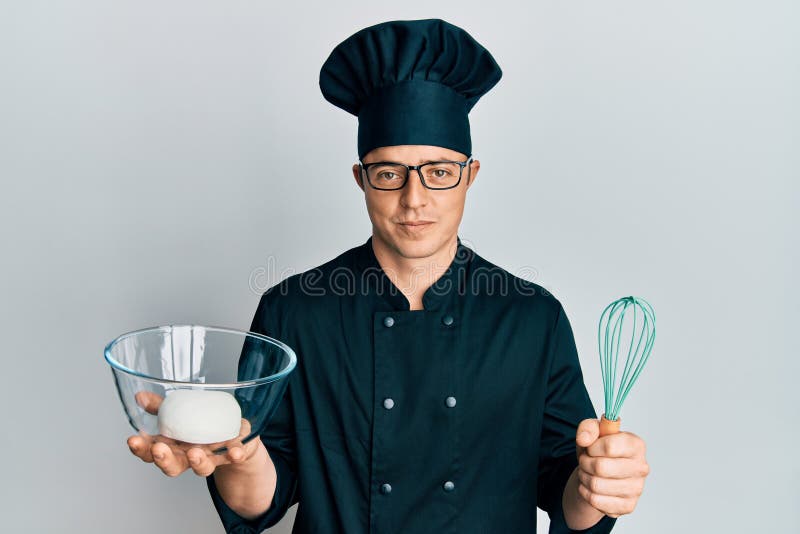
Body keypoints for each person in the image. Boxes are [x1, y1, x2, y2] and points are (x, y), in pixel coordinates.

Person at [127, 18, 650, 534]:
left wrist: (596, 487)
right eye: (389, 173)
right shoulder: (293, 311)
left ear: (470, 176)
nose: (414, 199)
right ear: (361, 179)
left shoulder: (533, 319)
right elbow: (259, 500)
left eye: (439, 172)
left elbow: (567, 494)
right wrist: (237, 455)